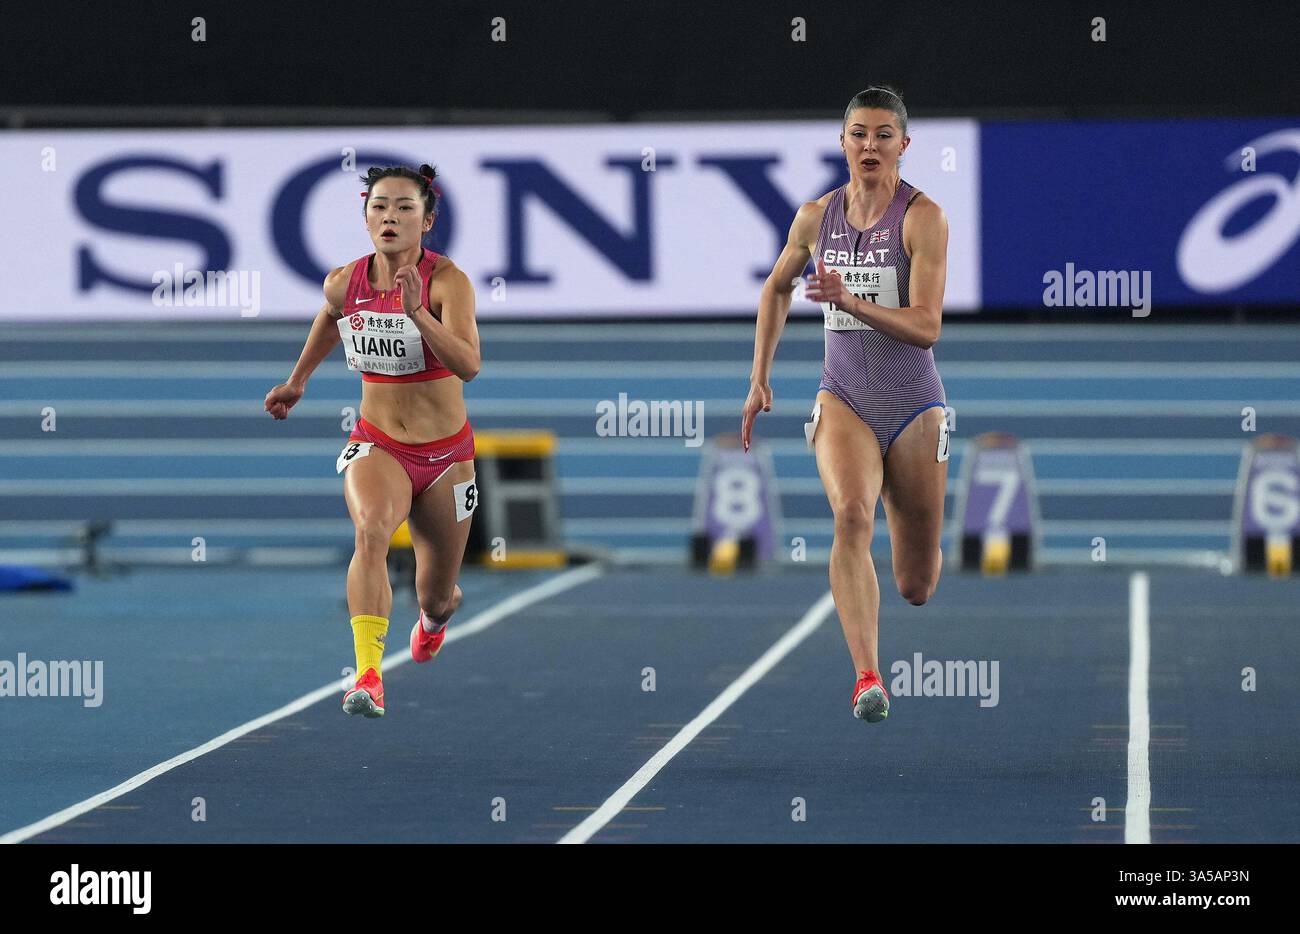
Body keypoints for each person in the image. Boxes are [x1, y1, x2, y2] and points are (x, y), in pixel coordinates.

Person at [741, 87, 951, 724]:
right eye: (859, 133)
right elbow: (776, 289)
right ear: (842, 142)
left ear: (903, 145)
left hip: (913, 403)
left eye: (883, 135)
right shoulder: (815, 218)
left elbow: (926, 327)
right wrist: (759, 377)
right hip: (844, 396)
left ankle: (905, 512)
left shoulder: (923, 218)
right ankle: (867, 677)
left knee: (916, 583)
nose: (870, 145)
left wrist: (849, 300)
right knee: (852, 517)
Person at [264, 163, 482, 718]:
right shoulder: (345, 281)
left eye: (405, 208)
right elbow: (330, 317)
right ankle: (367, 675)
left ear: (426, 221)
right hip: (378, 442)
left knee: (436, 593)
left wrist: (417, 313)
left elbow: (469, 364)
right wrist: (297, 381)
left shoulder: (447, 282)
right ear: (366, 219)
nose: (390, 216)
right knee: (371, 532)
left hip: (446, 457)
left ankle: (434, 619)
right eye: (379, 206)